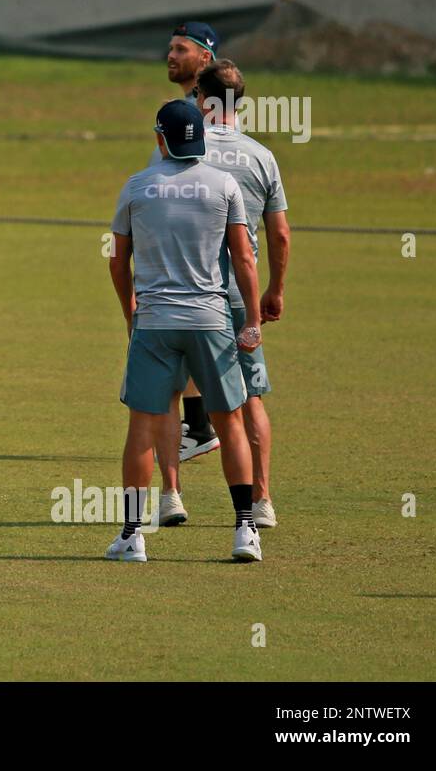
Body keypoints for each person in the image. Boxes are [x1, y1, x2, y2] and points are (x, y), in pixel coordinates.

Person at [106, 99, 263, 562]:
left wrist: (131, 313)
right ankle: (245, 530)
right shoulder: (223, 184)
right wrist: (251, 320)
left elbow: (118, 261)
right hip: (211, 320)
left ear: (161, 138)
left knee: (142, 425)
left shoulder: (137, 186)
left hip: (155, 322)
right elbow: (244, 258)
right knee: (229, 420)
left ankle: (133, 536)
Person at [154, 61, 289, 526]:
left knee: (170, 392)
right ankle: (262, 502)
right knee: (249, 397)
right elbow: (280, 234)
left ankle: (171, 494)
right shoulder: (261, 156)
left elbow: (159, 212)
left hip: (186, 291)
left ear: (201, 99)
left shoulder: (184, 149)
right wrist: (274, 290)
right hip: (240, 295)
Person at [163, 21, 225, 462]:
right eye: (169, 48)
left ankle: (202, 428)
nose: (171, 55)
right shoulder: (190, 105)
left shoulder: (202, 112)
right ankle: (199, 425)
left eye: (181, 49)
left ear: (206, 57)